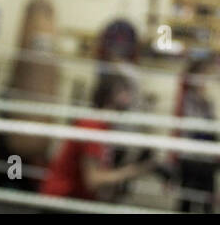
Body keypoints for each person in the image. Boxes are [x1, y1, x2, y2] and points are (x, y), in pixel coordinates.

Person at [39, 73, 157, 203]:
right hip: (62, 200)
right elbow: (93, 180)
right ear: (113, 94)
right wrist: (133, 171)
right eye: (126, 91)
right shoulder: (92, 126)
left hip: (76, 199)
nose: (130, 98)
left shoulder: (104, 127)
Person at [173, 58, 220, 212]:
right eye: (203, 75)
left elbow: (212, 129)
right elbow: (193, 128)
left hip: (206, 158)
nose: (205, 80)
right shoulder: (187, 99)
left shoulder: (208, 101)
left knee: (207, 202)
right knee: (187, 201)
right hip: (191, 157)